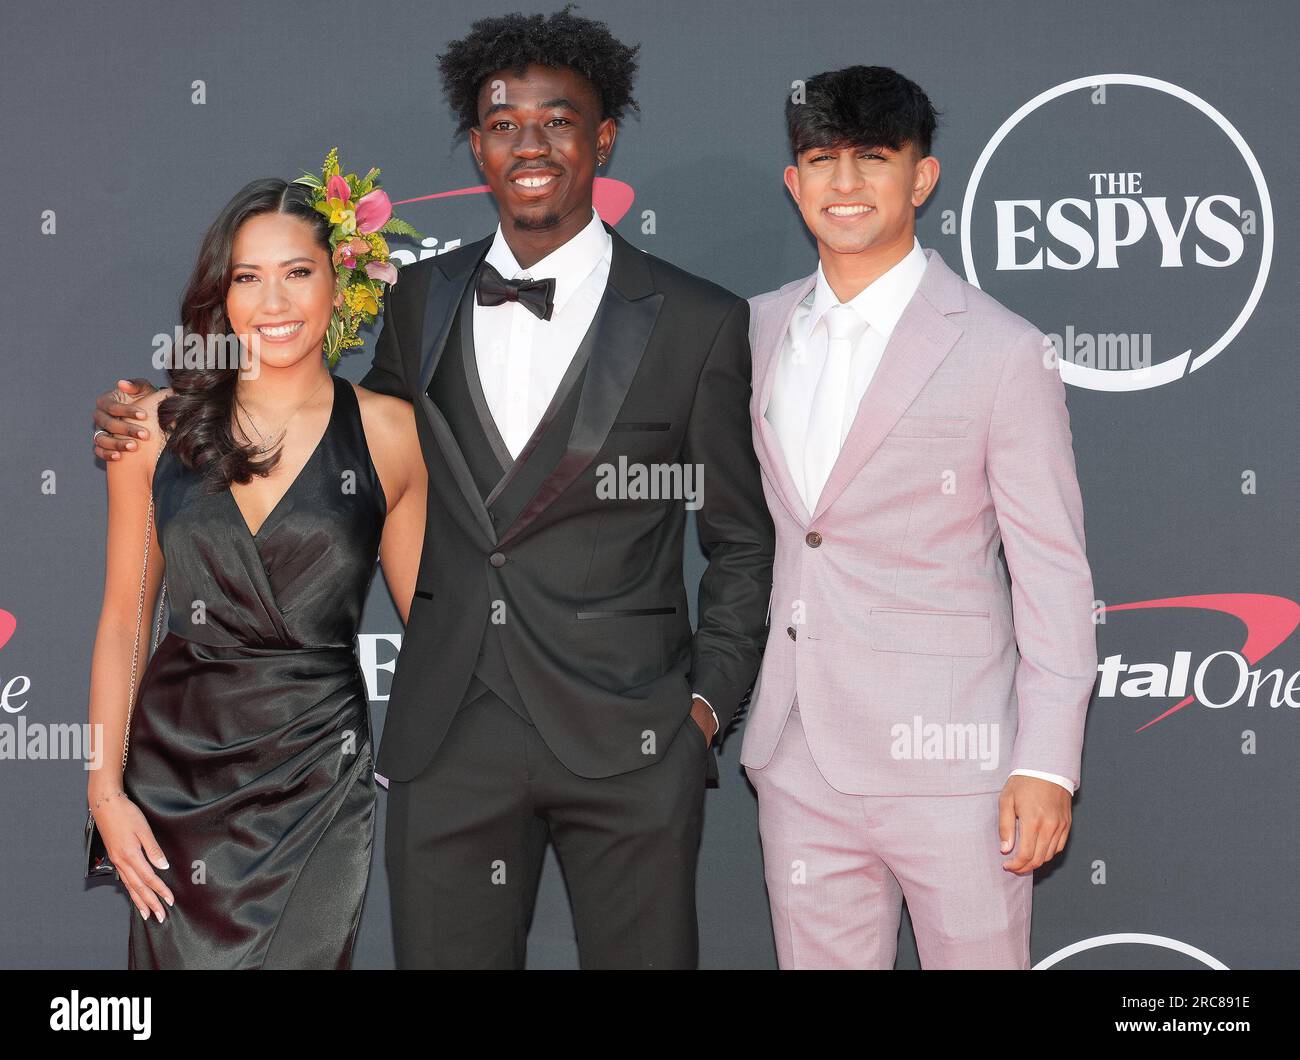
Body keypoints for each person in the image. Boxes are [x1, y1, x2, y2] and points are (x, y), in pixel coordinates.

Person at [92, 7, 774, 970]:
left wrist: (705, 710)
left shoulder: (700, 320)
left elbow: (741, 541)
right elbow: (324, 446)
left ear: (604, 136)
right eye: (503, 124)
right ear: (476, 145)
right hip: (449, 741)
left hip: (634, 744)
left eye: (558, 120)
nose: (529, 144)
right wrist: (159, 409)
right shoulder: (423, 301)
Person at [741, 66, 1097, 968]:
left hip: (960, 767)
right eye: (821, 160)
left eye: (873, 157)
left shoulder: (1001, 350)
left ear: (922, 178)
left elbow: (1052, 571)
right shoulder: (753, 331)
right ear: (794, 184)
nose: (846, 184)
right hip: (799, 755)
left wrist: (1047, 762)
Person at [87, 173, 427, 968]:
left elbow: (436, 624)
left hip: (319, 775)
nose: (273, 301)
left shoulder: (390, 433)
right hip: (176, 776)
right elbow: (124, 620)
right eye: (248, 277)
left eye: (297, 272)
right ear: (222, 293)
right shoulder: (150, 429)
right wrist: (105, 793)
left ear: (338, 281)